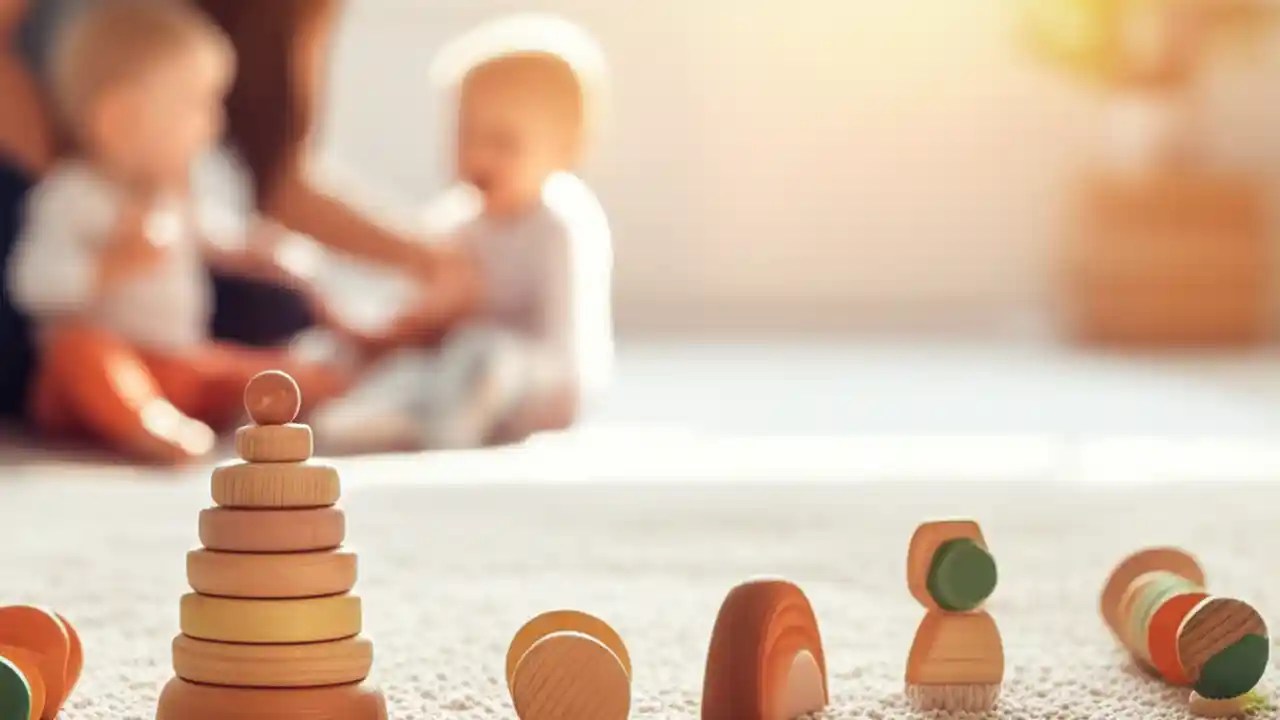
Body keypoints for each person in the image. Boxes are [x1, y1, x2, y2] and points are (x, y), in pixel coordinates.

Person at [7, 0, 346, 462]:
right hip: (98, 367)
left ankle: (325, 388)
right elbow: (33, 284)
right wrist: (108, 267)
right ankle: (147, 422)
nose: (214, 124)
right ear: (120, 119)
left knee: (238, 366)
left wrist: (254, 252)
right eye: (197, 105)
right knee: (81, 353)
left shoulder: (171, 197)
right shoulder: (73, 195)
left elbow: (211, 239)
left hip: (174, 359)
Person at [312, 16, 614, 451]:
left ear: (566, 149)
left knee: (484, 355)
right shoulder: (454, 220)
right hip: (453, 371)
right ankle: (383, 419)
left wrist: (473, 313)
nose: (477, 156)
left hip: (543, 381)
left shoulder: (560, 222)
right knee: (405, 368)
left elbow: (561, 342)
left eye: (503, 141)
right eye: (465, 135)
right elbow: (413, 313)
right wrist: (398, 330)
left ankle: (441, 426)